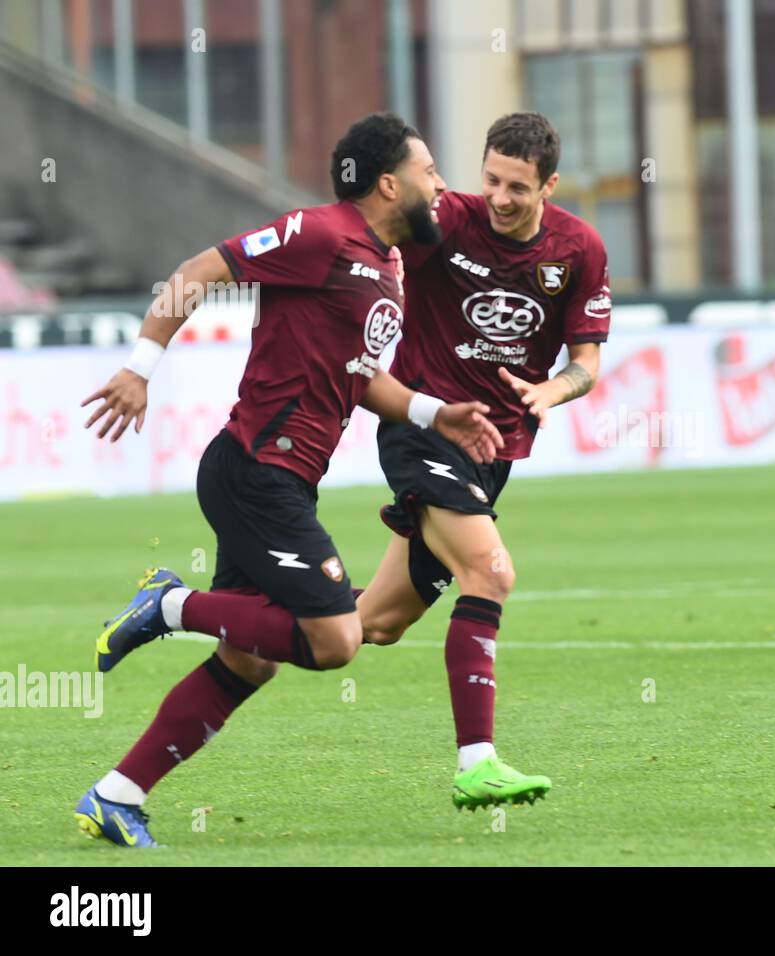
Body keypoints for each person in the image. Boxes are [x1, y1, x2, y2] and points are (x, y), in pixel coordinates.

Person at [74, 113, 503, 847]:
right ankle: (170, 603)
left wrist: (437, 415)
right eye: (430, 171)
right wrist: (139, 368)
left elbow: (364, 379)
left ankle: (115, 796)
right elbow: (198, 272)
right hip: (254, 470)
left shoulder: (386, 267)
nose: (441, 186)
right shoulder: (320, 233)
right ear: (390, 182)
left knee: (249, 662)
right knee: (335, 638)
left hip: (283, 481)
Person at [354, 112, 613, 810]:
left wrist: (551, 389)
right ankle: (477, 763)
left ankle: (179, 608)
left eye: (518, 187)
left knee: (366, 627)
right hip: (423, 431)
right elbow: (360, 222)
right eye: (491, 179)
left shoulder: (579, 250)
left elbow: (585, 361)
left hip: (491, 454)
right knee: (491, 570)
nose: (499, 197)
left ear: (549, 186)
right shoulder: (443, 221)